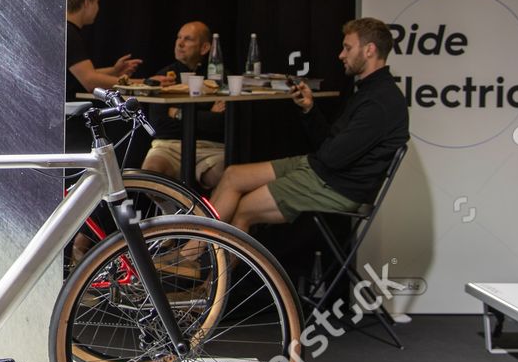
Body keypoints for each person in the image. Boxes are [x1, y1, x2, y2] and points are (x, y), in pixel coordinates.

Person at [207, 17, 408, 230]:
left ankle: (203, 261)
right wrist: (309, 109)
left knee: (244, 210)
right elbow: (329, 146)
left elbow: (332, 156)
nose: (341, 55)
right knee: (232, 176)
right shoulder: (367, 91)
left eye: (347, 48)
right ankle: (191, 254)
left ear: (369, 50)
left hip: (336, 185)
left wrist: (306, 166)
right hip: (321, 168)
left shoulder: (380, 102)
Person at [140, 21, 227, 188]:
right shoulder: (164, 77)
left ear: (204, 48)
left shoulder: (219, 78)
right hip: (169, 146)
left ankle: (207, 214)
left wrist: (177, 113)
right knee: (151, 175)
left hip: (209, 147)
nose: (180, 44)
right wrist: (208, 115)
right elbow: (158, 126)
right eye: (179, 38)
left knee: (222, 176)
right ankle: (173, 214)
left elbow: (222, 124)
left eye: (188, 39)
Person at [65, 0, 140, 96]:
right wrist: (145, 84)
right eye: (97, 1)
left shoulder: (66, 30)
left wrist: (114, 71)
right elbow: (90, 81)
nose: (98, 8)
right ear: (87, 3)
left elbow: (78, 75)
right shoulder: (69, 34)